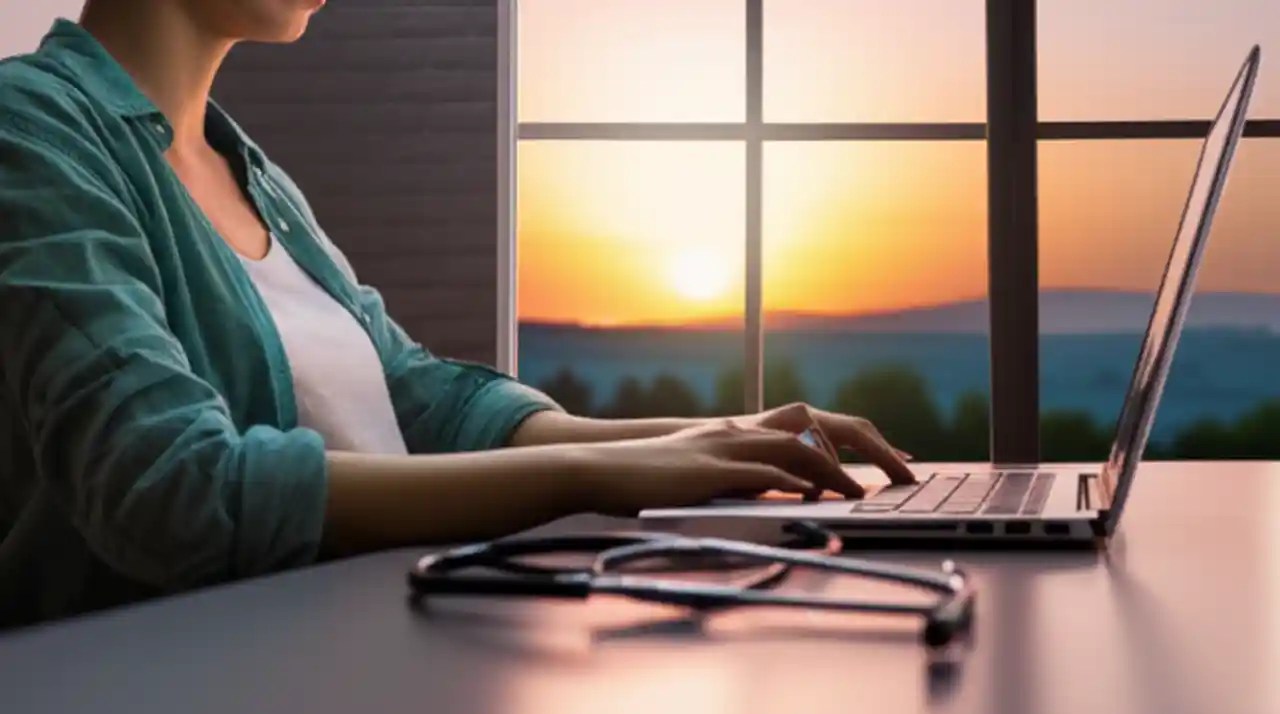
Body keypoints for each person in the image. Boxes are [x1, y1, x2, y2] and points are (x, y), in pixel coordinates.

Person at [0, 0, 915, 626]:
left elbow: (419, 399)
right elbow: (168, 488)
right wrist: (594, 474)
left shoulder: (252, 173)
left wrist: (715, 439)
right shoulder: (31, 127)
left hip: (373, 637)